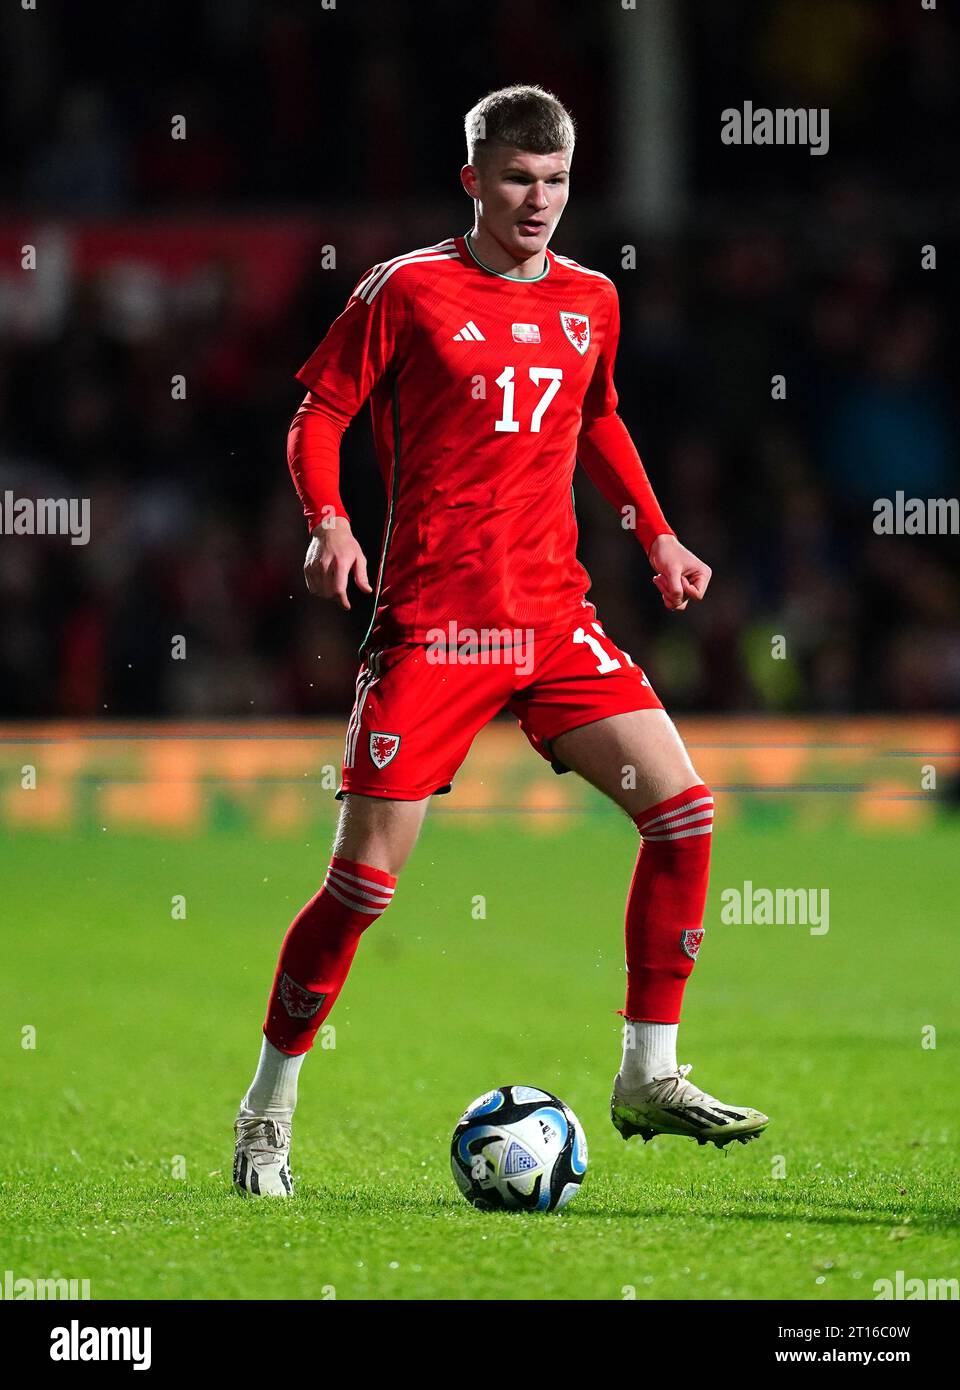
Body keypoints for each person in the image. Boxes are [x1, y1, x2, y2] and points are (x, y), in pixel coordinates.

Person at [233, 84, 768, 1198]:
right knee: (364, 887)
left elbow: (599, 417)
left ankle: (647, 1074)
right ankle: (267, 1109)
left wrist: (659, 534)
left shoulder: (591, 300)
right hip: (436, 625)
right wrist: (330, 521)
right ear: (473, 179)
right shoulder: (409, 290)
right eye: (518, 178)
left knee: (683, 812)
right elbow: (318, 414)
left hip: (553, 618)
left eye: (558, 180)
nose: (539, 200)